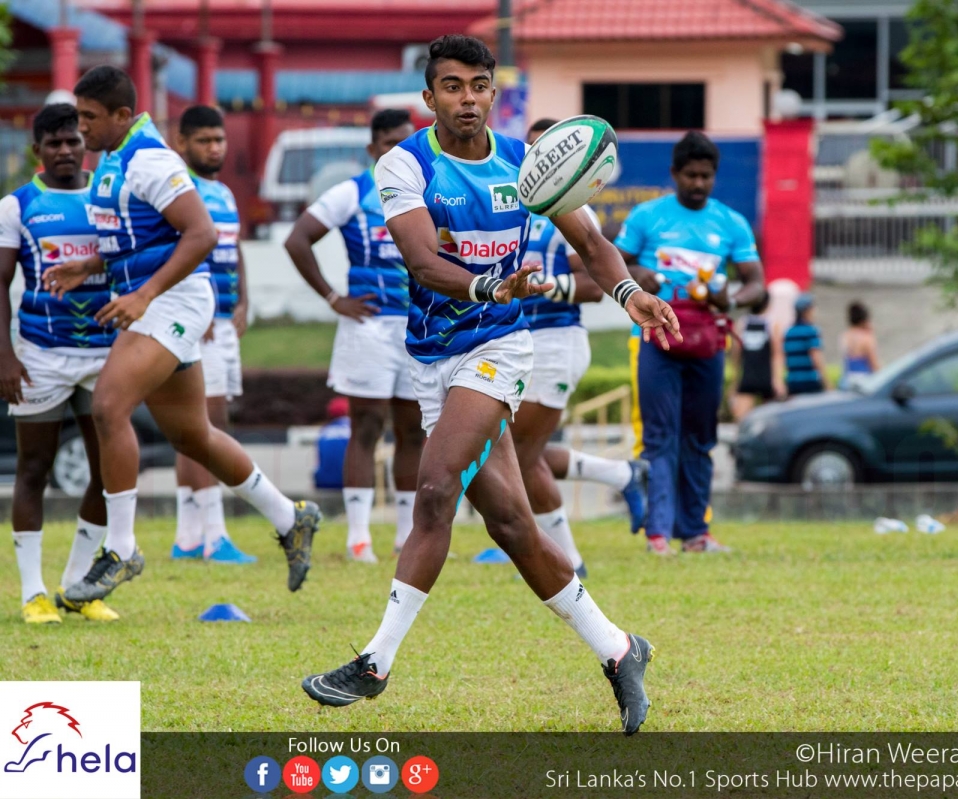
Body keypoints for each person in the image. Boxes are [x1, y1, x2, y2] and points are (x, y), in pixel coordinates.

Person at [300, 35, 679, 736]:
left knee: (435, 488)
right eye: (452, 86)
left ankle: (375, 661)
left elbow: (593, 244)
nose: (467, 99)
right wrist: (486, 282)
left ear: (493, 92)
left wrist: (631, 295)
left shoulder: (528, 165)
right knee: (510, 524)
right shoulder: (404, 164)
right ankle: (621, 648)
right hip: (431, 354)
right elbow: (419, 258)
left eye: (479, 85)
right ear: (429, 97)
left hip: (500, 347)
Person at [42, 66, 320, 603]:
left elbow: (201, 233)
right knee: (193, 437)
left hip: (173, 301)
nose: (82, 129)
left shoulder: (151, 159)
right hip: (154, 299)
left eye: (89, 118)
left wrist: (145, 295)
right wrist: (91, 266)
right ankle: (291, 516)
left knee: (108, 406)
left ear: (123, 115)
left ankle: (121, 549)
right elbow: (138, 236)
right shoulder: (114, 159)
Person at [615, 131, 765, 556]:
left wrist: (729, 297)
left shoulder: (730, 222)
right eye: (691, 176)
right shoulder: (647, 217)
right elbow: (614, 262)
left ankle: (696, 532)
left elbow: (756, 284)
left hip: (706, 341)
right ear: (674, 174)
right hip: (655, 338)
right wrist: (638, 277)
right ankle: (658, 534)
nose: (698, 184)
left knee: (700, 437)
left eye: (706, 176)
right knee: (660, 436)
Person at [284, 109, 424, 563]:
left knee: (413, 433)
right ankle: (359, 538)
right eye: (387, 143)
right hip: (367, 329)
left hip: (418, 327)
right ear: (372, 149)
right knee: (365, 428)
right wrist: (331, 297)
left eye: (404, 143)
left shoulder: (429, 191)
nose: (396, 151)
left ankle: (407, 537)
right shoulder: (352, 192)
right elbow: (297, 240)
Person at [511, 117, 646, 578]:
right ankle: (618, 478)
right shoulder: (511, 207)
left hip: (556, 342)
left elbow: (593, 284)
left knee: (516, 456)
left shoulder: (570, 209)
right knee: (509, 452)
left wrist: (548, 287)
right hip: (517, 342)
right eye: (532, 153)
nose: (537, 163)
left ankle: (558, 556)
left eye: (546, 154)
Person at [0, 104, 115, 624]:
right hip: (40, 355)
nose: (66, 150)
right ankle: (32, 594)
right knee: (33, 469)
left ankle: (77, 588)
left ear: (84, 141)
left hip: (105, 354)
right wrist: (4, 355)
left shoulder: (107, 196)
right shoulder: (16, 206)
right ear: (37, 151)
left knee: (108, 473)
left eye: (73, 140)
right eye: (54, 143)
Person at [170, 105, 255, 564]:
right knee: (208, 427)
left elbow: (233, 250)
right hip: (196, 324)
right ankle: (214, 536)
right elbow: (174, 252)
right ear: (181, 143)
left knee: (197, 429)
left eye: (219, 139)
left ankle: (188, 537)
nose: (214, 148)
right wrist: (192, 305)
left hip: (223, 321)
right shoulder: (179, 192)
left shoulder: (223, 192)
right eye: (203, 140)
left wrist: (242, 301)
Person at [729, 293, 785, 421]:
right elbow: (737, 354)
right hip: (753, 377)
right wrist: (736, 381)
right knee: (743, 419)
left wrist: (777, 380)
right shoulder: (744, 323)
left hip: (761, 376)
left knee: (769, 421)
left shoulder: (766, 324)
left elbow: (776, 354)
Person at [784, 295, 828, 395]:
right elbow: (816, 357)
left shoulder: (789, 332)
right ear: (807, 311)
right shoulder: (812, 331)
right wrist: (827, 383)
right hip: (810, 380)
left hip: (792, 381)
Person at [840, 300, 879, 385]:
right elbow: (873, 363)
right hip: (864, 380)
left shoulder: (845, 336)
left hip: (847, 379)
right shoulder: (866, 338)